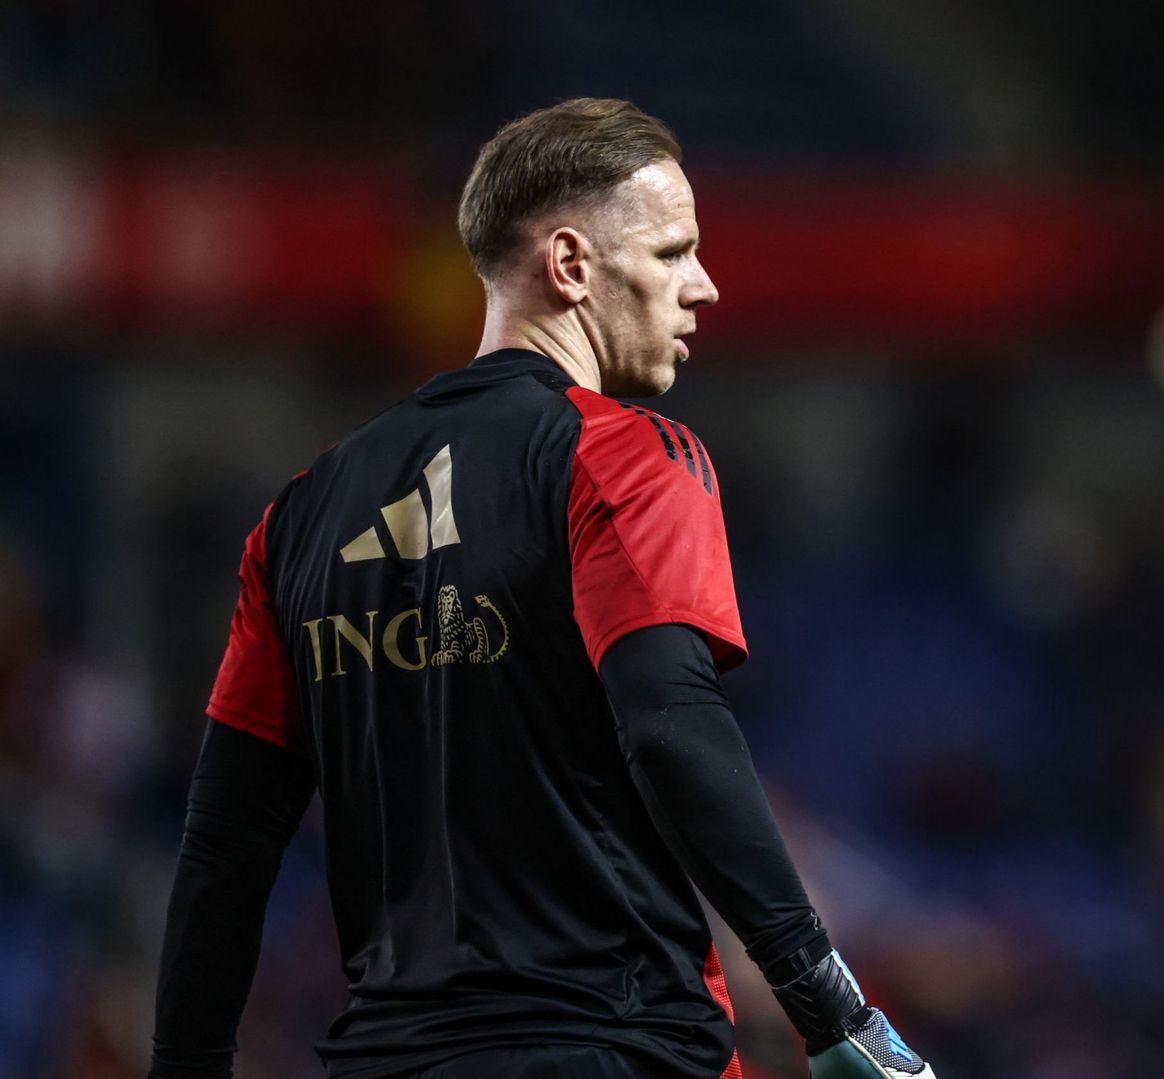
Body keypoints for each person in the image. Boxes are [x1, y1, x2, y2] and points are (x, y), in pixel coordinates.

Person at [148, 98, 934, 1079]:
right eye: (673, 252)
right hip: (614, 1046)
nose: (705, 286)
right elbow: (671, 725)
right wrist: (833, 1008)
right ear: (570, 265)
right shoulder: (624, 457)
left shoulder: (301, 514)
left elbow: (229, 835)